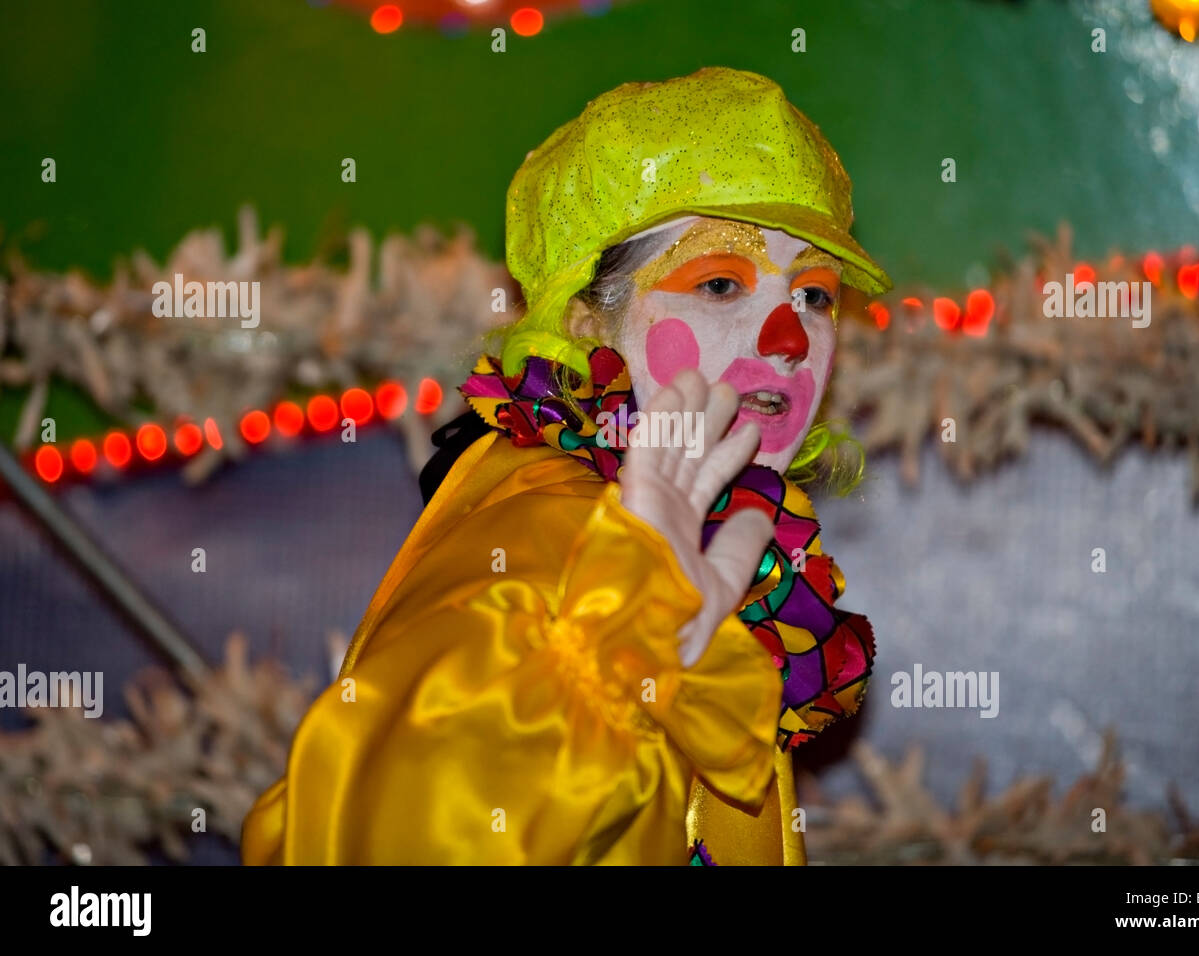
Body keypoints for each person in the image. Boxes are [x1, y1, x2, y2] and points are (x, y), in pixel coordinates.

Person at [241, 66, 890, 866]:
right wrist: (608, 666)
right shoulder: (556, 521)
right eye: (720, 284)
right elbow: (384, 837)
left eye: (816, 296)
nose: (790, 341)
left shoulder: (676, 531)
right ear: (587, 325)